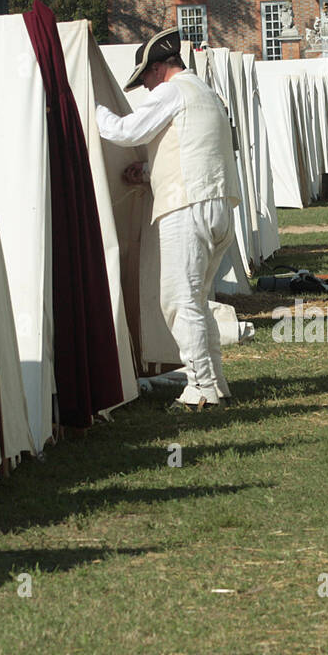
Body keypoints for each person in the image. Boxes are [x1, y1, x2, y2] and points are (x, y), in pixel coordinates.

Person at [94, 27, 241, 412]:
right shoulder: (205, 93)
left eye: (145, 77)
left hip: (187, 205)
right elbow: (191, 148)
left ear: (159, 68)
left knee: (178, 300)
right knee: (196, 301)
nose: (145, 87)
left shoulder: (171, 91)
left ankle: (202, 389)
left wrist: (90, 108)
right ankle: (216, 385)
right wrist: (146, 172)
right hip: (219, 205)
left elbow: (125, 131)